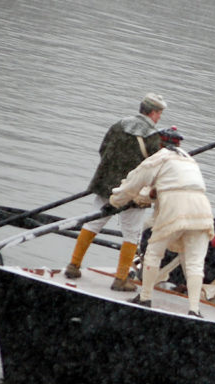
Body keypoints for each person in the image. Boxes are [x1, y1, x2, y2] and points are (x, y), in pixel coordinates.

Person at [65, 92, 166, 290]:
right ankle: (120, 279)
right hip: (132, 191)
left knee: (93, 224)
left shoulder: (119, 125)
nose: (160, 117)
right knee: (131, 234)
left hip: (105, 185)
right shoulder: (153, 136)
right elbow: (154, 167)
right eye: (160, 113)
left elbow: (103, 149)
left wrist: (111, 175)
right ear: (153, 113)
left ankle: (74, 265)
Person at [109, 127, 214, 317]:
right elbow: (164, 188)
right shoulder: (190, 160)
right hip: (202, 209)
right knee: (195, 262)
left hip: (175, 208)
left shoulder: (160, 157)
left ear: (160, 142)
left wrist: (115, 201)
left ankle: (145, 297)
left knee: (154, 252)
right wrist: (147, 195)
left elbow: (134, 183)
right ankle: (194, 309)